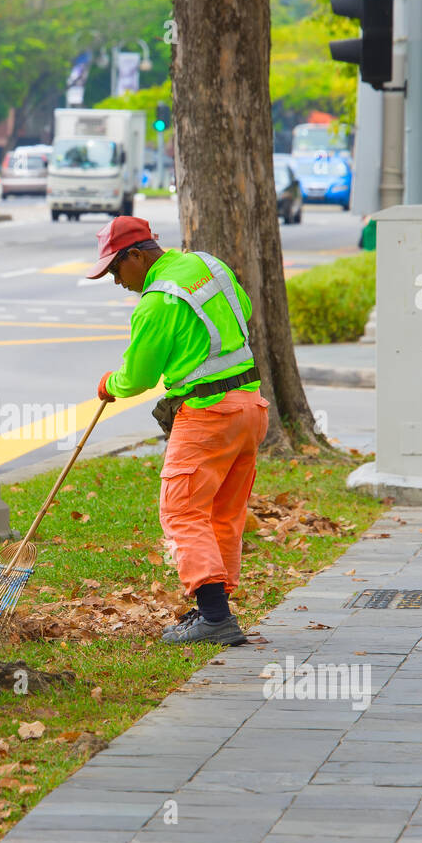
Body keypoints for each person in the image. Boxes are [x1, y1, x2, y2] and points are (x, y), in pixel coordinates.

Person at [87, 216, 268, 646]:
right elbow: (243, 308)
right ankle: (216, 610)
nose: (116, 281)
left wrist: (108, 383)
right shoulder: (209, 265)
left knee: (183, 512)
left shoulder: (155, 303)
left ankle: (215, 618)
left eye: (115, 269)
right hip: (251, 406)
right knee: (223, 512)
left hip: (207, 416)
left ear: (136, 256)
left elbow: (138, 377)